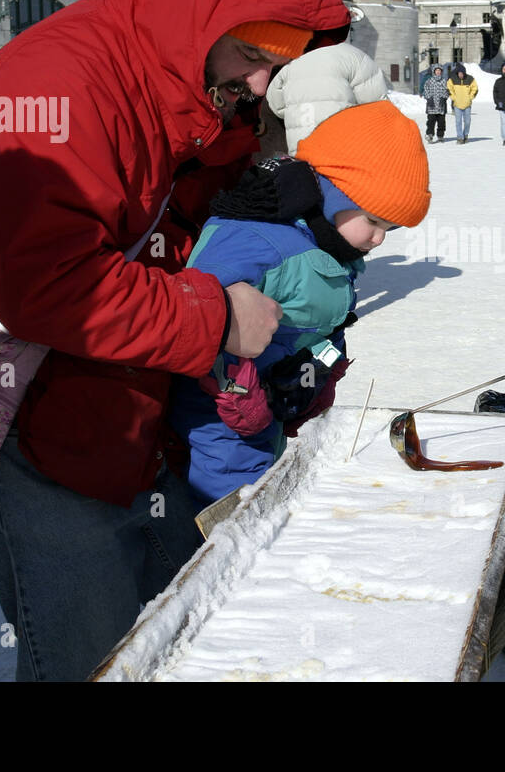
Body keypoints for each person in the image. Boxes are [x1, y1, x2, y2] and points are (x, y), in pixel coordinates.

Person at [0, 0, 351, 681]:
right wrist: (215, 316)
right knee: (94, 650)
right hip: (21, 417)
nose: (264, 80)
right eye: (258, 47)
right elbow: (47, 286)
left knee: (181, 614)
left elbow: (185, 224)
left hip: (125, 409)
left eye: (285, 55)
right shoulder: (57, 86)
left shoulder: (190, 92)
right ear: (202, 10)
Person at [171, 101, 429, 505]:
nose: (380, 239)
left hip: (269, 403)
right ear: (332, 194)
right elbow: (204, 312)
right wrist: (238, 393)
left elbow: (320, 321)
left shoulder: (327, 243)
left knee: (266, 482)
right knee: (237, 499)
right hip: (220, 415)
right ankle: (213, 557)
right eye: (374, 221)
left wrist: (322, 373)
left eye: (390, 229)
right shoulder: (256, 238)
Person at [447, 66, 478, 143]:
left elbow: (475, 88)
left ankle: (465, 135)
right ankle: (460, 137)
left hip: (467, 104)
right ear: (457, 73)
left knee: (467, 122)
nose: (461, 75)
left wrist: (470, 97)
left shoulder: (470, 79)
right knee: (458, 122)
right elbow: (449, 89)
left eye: (462, 73)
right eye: (460, 73)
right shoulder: (452, 79)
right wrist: (454, 98)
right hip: (457, 105)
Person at [422, 64, 448, 143]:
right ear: (434, 72)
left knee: (441, 122)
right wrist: (429, 98)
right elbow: (425, 90)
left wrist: (443, 98)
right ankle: (430, 135)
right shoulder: (429, 81)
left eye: (439, 71)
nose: (438, 72)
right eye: (437, 70)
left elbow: (447, 91)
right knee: (431, 122)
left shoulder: (444, 81)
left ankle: (440, 135)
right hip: (432, 106)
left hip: (441, 106)